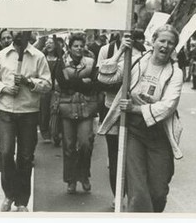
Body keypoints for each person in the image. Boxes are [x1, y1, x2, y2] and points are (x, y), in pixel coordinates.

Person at [98, 25, 184, 213]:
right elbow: (105, 77)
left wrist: (136, 108)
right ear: (153, 42)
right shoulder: (136, 61)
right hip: (134, 133)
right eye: (162, 40)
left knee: (158, 192)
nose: (165, 46)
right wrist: (120, 51)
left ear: (174, 48)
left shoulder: (175, 73)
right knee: (138, 192)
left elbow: (168, 105)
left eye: (170, 43)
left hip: (158, 134)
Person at [0, 31, 51, 212]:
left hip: (29, 112)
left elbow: (47, 84)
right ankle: (9, 193)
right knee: (6, 153)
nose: (19, 32)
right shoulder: (0, 56)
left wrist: (29, 82)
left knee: (25, 156)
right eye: (15, 29)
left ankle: (22, 200)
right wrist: (5, 88)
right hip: (6, 111)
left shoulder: (38, 56)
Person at [96, 30, 146, 205]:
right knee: (115, 155)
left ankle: (132, 195)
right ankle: (117, 195)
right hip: (112, 109)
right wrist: (119, 53)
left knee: (133, 156)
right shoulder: (106, 50)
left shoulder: (143, 49)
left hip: (133, 110)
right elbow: (102, 77)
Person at [53, 32, 100, 194]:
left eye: (81, 46)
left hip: (86, 108)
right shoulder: (62, 62)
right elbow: (62, 83)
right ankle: (71, 180)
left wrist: (75, 83)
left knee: (86, 143)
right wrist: (82, 82)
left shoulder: (91, 62)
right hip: (67, 109)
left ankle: (84, 175)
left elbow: (94, 84)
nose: (79, 49)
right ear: (70, 47)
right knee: (69, 146)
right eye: (75, 46)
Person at [40, 37, 63, 143]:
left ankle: (55, 132)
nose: (48, 44)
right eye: (46, 42)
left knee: (54, 111)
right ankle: (45, 133)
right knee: (44, 112)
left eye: (51, 42)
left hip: (55, 89)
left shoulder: (60, 59)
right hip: (44, 89)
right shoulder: (41, 58)